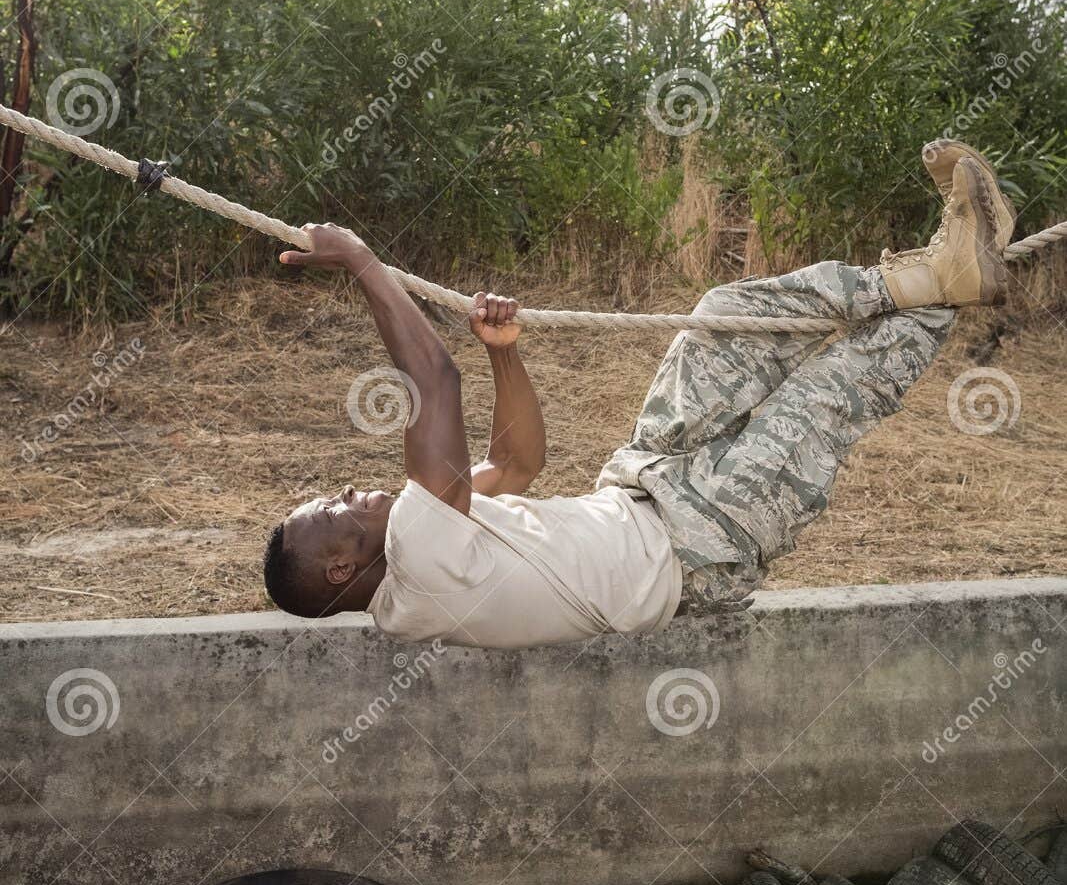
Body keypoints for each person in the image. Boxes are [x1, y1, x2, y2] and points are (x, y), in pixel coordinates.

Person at [262, 142, 1014, 648]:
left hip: (641, 482)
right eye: (332, 509)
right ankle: (949, 283)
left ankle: (923, 278)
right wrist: (362, 262)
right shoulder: (421, 569)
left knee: (720, 318)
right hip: (700, 544)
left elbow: (516, 463)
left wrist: (504, 357)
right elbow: (433, 382)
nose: (348, 491)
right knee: (824, 397)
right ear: (339, 568)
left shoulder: (423, 540)